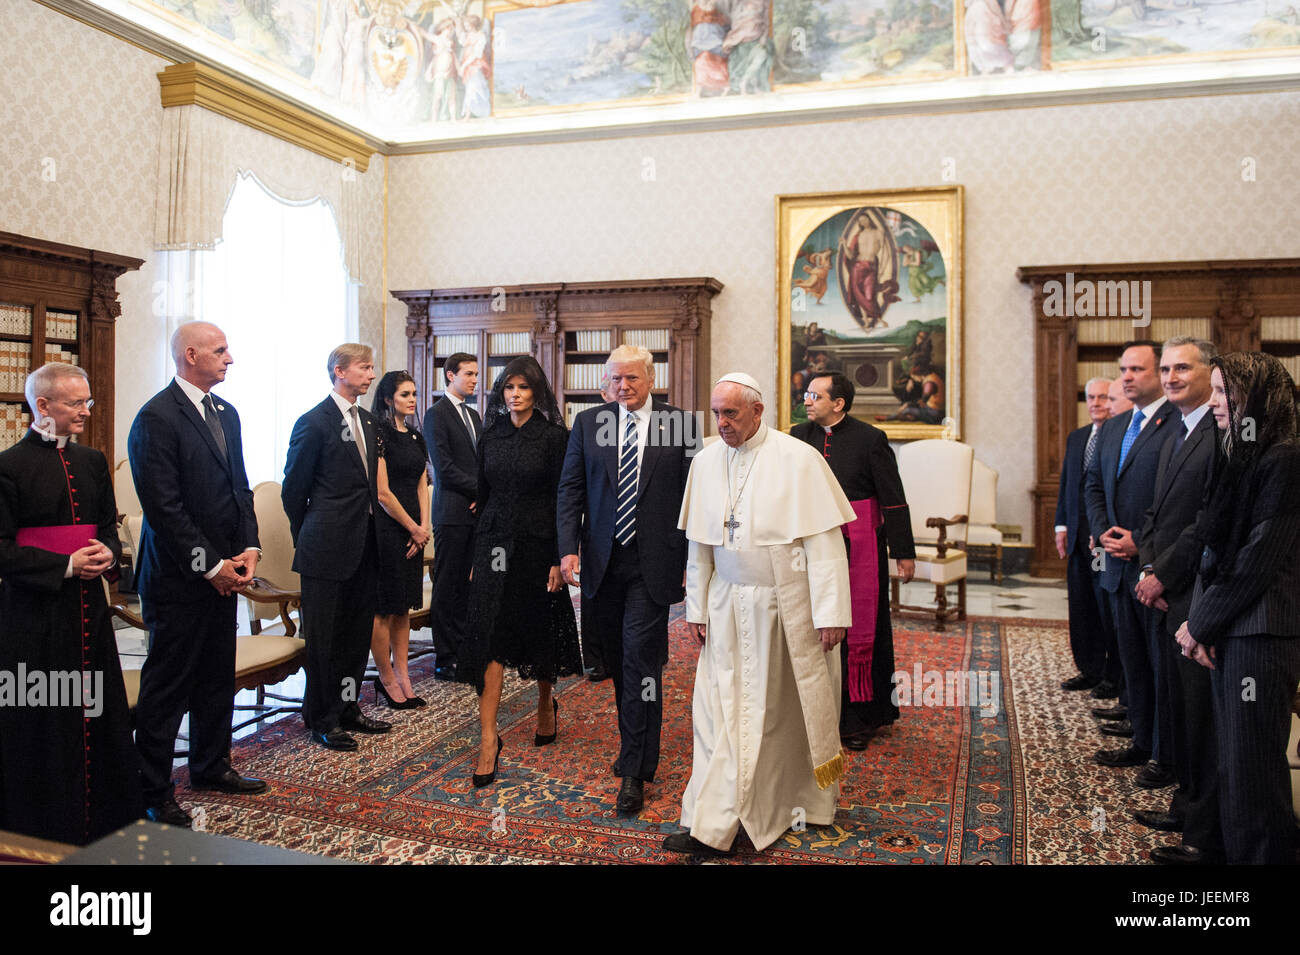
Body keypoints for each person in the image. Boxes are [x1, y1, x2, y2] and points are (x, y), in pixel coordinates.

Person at [665, 373, 854, 856]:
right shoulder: (706, 461)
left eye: (731, 413)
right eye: (716, 413)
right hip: (728, 605)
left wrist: (831, 612)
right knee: (716, 713)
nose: (722, 423)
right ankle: (713, 820)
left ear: (758, 411)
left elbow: (825, 546)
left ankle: (799, 803)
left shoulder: (798, 460)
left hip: (784, 608)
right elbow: (699, 545)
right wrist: (698, 607)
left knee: (780, 717)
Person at [129, 321, 266, 827]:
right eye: (220, 350)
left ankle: (211, 766)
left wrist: (248, 548)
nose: (230, 358)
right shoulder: (156, 417)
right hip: (178, 580)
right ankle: (153, 790)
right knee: (167, 688)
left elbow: (241, 489)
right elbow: (164, 508)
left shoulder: (225, 413)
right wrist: (209, 566)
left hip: (227, 573)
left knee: (214, 678)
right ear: (190, 355)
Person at [0, 363, 141, 844]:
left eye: (87, 402)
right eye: (74, 403)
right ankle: (45, 821)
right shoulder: (8, 466)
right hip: (35, 617)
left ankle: (105, 816)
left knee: (95, 711)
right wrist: (64, 565)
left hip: (89, 610)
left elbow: (105, 525)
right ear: (43, 406)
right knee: (46, 715)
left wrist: (106, 550)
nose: (84, 410)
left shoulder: (92, 460)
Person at [558, 345, 698, 814]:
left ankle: (636, 770)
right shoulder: (587, 423)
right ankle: (633, 747)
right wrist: (567, 549)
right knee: (617, 663)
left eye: (632, 379)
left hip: (653, 564)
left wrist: (693, 561)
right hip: (602, 563)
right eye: (615, 379)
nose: (623, 387)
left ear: (651, 379)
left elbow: (695, 496)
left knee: (641, 662)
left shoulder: (680, 424)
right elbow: (571, 490)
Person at [1175, 353, 1300, 865]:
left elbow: (1257, 561)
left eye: (1226, 393)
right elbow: (1215, 548)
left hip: (1262, 635)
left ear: (1258, 399)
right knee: (1236, 766)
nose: (1216, 403)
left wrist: (1200, 624)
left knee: (1253, 774)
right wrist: (1201, 625)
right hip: (1236, 629)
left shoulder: (1286, 459)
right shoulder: (1249, 455)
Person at [462, 356, 582, 787]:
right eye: (508, 387)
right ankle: (488, 738)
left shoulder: (554, 438)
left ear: (537, 392)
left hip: (537, 547)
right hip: (494, 545)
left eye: (523, 388)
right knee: (491, 633)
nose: (515, 394)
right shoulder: (489, 435)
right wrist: (478, 559)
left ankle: (546, 702)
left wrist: (558, 556)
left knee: (540, 629)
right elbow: (483, 494)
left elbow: (562, 500)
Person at [1126, 338, 1219, 860]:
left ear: (1210, 372)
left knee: (1200, 716)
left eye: (1183, 367)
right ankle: (1185, 807)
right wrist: (1148, 568)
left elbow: (1206, 522)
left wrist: (1163, 575)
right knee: (1179, 709)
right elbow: (1156, 516)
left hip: (1194, 594)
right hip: (1164, 589)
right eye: (1166, 368)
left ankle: (1203, 830)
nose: (1172, 376)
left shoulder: (1218, 433)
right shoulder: (1174, 430)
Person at [791, 371, 915, 751]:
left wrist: (904, 552)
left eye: (815, 395)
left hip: (861, 547)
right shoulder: (798, 437)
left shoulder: (871, 439)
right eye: (807, 395)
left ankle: (861, 719)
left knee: (862, 629)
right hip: (811, 545)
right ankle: (815, 709)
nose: (807, 400)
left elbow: (893, 498)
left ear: (838, 403)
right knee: (814, 625)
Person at [282, 343, 391, 751]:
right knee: (325, 639)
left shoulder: (368, 420)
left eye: (371, 367)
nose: (371, 374)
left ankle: (347, 708)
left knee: (355, 634)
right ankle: (322, 718)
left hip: (365, 544)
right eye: (364, 368)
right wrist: (307, 536)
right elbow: (294, 491)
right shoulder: (313, 422)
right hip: (324, 548)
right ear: (339, 371)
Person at [1086, 341, 1182, 787]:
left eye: (1138, 369)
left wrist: (1139, 542)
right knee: (1133, 660)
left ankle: (1166, 753)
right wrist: (1105, 530)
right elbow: (1094, 485)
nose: (1127, 377)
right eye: (1123, 369)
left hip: (1155, 563)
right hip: (1116, 563)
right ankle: (1141, 738)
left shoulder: (1179, 423)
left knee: (1163, 668)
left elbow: (1182, 503)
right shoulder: (1114, 425)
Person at [370, 371, 431, 710]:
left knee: (404, 607)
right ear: (388, 399)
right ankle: (386, 678)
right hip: (388, 528)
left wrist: (424, 526)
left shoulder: (416, 437)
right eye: (405, 394)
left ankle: (404, 674)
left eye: (414, 393)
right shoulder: (378, 435)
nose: (412, 399)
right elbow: (381, 492)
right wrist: (411, 527)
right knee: (384, 607)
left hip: (414, 531)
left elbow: (422, 485)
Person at [1055, 377, 1120, 695]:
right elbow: (1067, 484)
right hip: (1078, 537)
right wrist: (1060, 526)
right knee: (1080, 607)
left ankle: (1113, 674)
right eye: (1091, 397)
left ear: (1115, 400)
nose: (1095, 403)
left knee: (1106, 608)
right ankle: (1089, 669)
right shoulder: (1078, 437)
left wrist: (1100, 530)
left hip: (1105, 539)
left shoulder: (1120, 435)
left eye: (1103, 397)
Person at [423, 352, 481, 682]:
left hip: (476, 514)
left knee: (471, 587)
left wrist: (483, 495)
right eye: (468, 374)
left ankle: (466, 650)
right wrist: (479, 492)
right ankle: (445, 658)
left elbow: (482, 463)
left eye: (476, 374)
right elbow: (444, 470)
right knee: (448, 586)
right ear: (450, 375)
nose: (474, 379)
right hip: (451, 514)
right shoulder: (436, 415)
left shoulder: (474, 415)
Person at [577, 373, 621, 684]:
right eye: (612, 388)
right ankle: (596, 660)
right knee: (594, 601)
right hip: (595, 529)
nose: (619, 392)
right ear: (603, 395)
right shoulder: (589, 425)